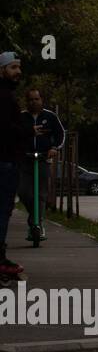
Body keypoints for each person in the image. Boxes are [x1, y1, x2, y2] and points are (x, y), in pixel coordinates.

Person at [18, 87, 65, 242]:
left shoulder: (50, 116)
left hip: (43, 159)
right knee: (24, 192)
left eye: (36, 99)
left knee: (41, 194)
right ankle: (34, 219)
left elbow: (60, 134)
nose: (34, 102)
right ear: (27, 101)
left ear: (41, 100)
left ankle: (37, 225)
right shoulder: (21, 117)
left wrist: (54, 148)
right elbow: (14, 136)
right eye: (30, 99)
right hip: (25, 160)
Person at [0, 52, 30, 279]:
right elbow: (6, 128)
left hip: (8, 159)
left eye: (18, 67)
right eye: (12, 67)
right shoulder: (3, 95)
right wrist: (27, 131)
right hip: (6, 161)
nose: (17, 72)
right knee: (3, 209)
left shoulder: (7, 94)